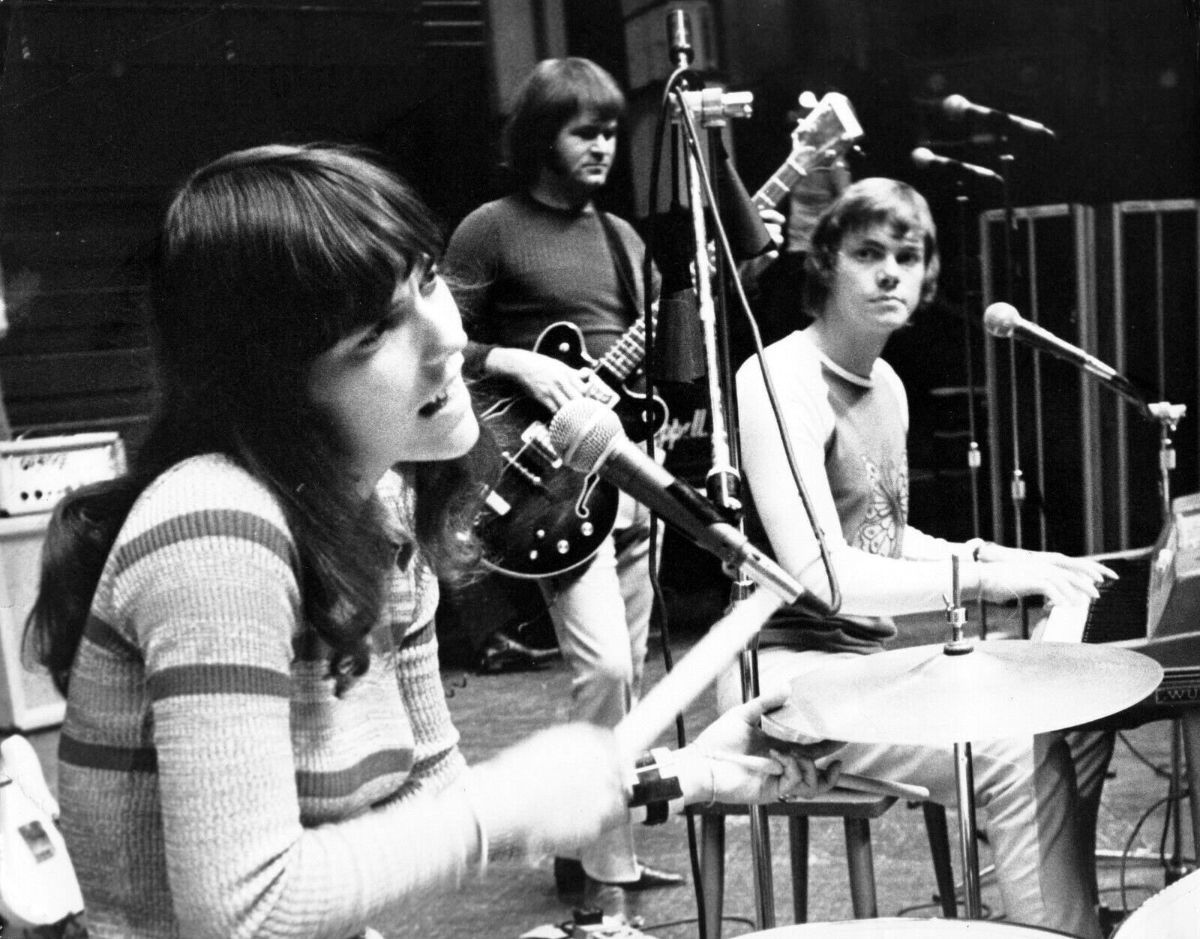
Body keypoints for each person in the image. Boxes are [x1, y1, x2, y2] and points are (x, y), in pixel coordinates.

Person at [24, 143, 840, 939]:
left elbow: (439, 801)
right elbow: (243, 910)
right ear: (274, 384)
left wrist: (689, 772)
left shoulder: (382, 512)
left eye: (426, 281)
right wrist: (505, 800)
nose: (447, 338)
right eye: (376, 330)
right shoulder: (216, 528)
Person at [733, 177, 1115, 939]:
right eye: (868, 254)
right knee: (1015, 750)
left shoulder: (887, 384)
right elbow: (823, 575)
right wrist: (983, 577)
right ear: (826, 263)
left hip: (869, 664)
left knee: (1082, 719)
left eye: (906, 258)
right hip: (786, 674)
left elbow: (881, 534)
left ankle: (1049, 916)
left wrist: (1002, 554)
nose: (889, 274)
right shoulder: (778, 378)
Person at [443, 58, 678, 915]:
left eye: (612, 132)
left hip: (628, 469)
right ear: (544, 135)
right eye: (586, 131)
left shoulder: (624, 240)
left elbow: (653, 353)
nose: (604, 147)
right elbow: (434, 344)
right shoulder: (489, 230)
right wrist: (516, 361)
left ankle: (582, 846)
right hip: (548, 482)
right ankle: (606, 867)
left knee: (621, 679)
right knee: (606, 665)